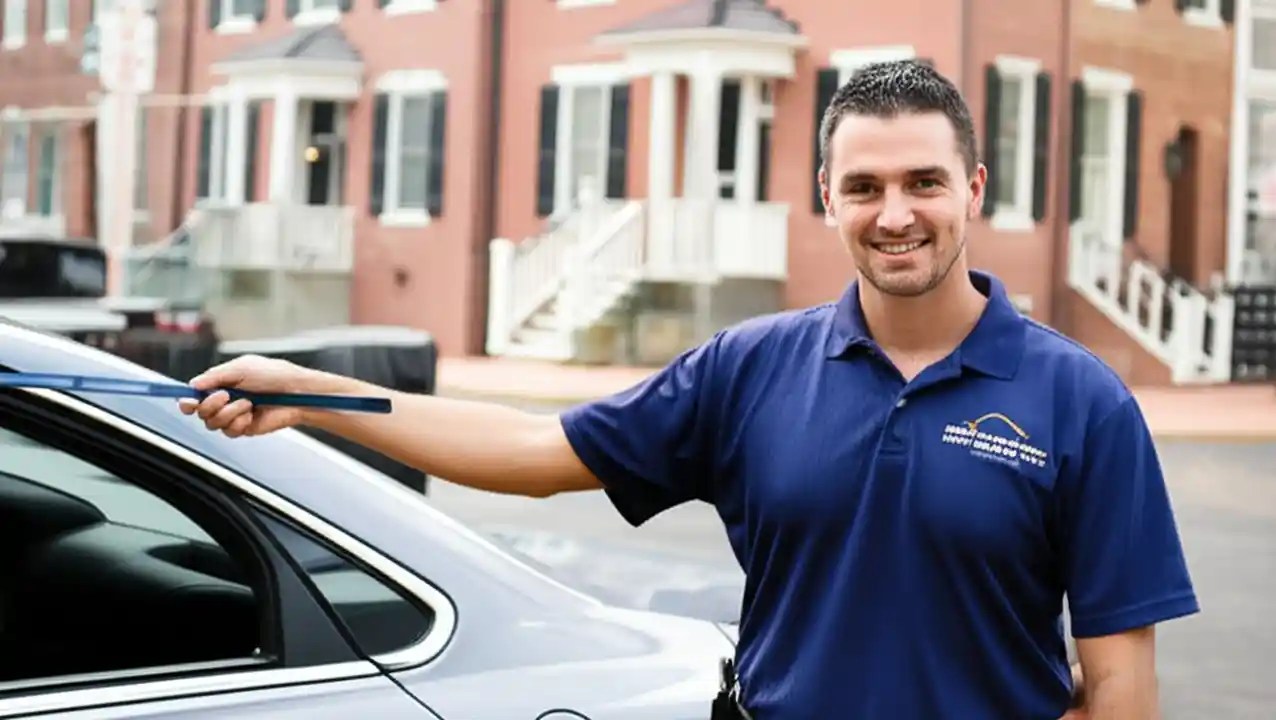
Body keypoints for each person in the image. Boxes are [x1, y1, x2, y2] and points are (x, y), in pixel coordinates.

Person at [180, 59, 1197, 719]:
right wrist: (315, 396)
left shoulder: (1080, 402)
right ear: (824, 199)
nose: (896, 214)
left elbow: (1118, 688)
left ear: (971, 189)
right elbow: (533, 453)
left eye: (923, 182)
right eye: (864, 187)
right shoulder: (746, 370)